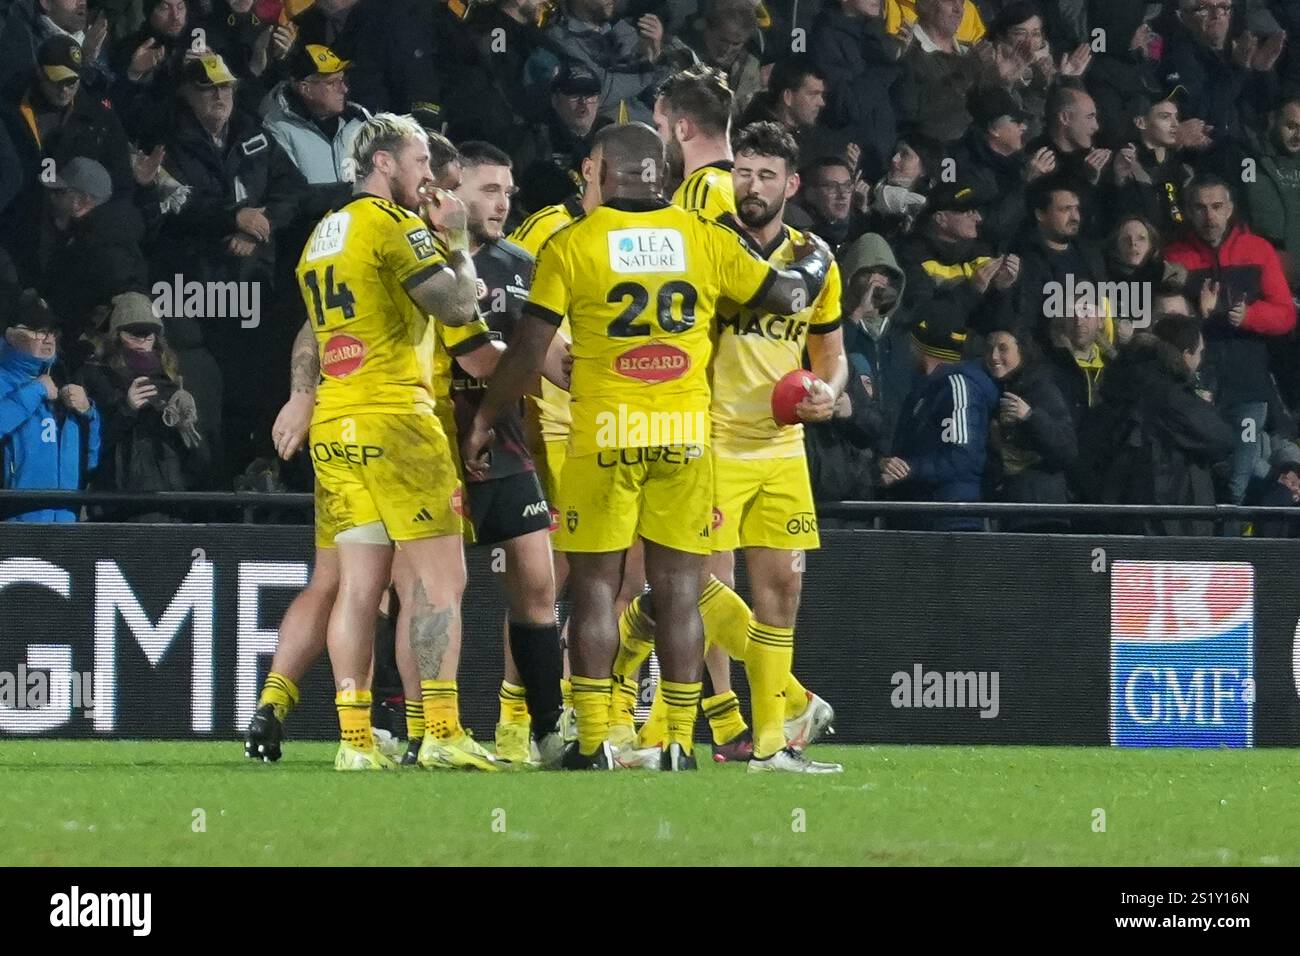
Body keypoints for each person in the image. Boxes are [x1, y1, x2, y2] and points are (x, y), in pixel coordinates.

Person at [461, 121, 836, 771]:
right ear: (660, 175)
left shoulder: (573, 243)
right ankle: (676, 744)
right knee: (680, 588)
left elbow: (527, 347)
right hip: (687, 437)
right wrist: (820, 258)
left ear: (604, 174)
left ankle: (596, 738)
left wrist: (489, 415)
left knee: (597, 588)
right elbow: (788, 292)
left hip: (604, 433)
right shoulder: (706, 238)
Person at [611, 123, 845, 773]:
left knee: (781, 594)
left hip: (782, 449)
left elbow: (833, 353)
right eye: (744, 171)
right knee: (692, 588)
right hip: (708, 440)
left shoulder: (813, 254)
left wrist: (828, 390)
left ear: (791, 186)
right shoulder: (708, 247)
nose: (752, 185)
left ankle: (771, 743)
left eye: (767, 175)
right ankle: (670, 722)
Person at [293, 112, 482, 770]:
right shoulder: (394, 225)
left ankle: (353, 740)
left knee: (357, 587)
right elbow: (457, 307)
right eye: (420, 160)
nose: (429, 175)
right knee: (440, 579)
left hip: (336, 423)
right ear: (384, 164)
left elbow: (313, 335)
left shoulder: (321, 235)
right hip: (396, 417)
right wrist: (456, 243)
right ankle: (443, 731)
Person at [447, 141, 568, 767]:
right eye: (489, 189)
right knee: (420, 588)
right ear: (454, 188)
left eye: (507, 190)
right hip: (439, 434)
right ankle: (409, 726)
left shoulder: (524, 262)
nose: (503, 201)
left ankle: (548, 730)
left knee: (538, 582)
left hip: (508, 439)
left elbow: (546, 350)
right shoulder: (427, 253)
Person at [1163, 174, 1297, 504]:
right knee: (1219, 473)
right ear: (1189, 212)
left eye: (1217, 207)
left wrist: (1248, 316)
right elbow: (1163, 324)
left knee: (1238, 478)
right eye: (1200, 208)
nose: (1210, 216)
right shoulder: (1175, 256)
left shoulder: (1258, 250)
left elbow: (1285, 314)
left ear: (1230, 208)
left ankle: (1233, 544)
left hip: (1248, 386)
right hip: (1197, 384)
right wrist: (1199, 316)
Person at [1077, 318, 1234, 536]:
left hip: (1115, 520)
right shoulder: (1168, 395)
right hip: (1171, 522)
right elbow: (1221, 437)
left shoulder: (1117, 384)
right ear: (1186, 354)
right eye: (1200, 352)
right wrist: (1202, 406)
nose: (1200, 361)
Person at [77, 292, 209, 521]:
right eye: (135, 333)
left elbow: (201, 458)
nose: (143, 341)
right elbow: (87, 445)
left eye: (149, 334)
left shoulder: (172, 380)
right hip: (116, 505)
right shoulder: (95, 376)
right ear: (116, 335)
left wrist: (186, 427)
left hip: (168, 504)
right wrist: (126, 409)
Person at [879, 312, 999, 530]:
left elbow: (963, 458)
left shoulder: (958, 385)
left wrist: (908, 469)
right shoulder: (928, 390)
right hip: (924, 517)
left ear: (922, 348)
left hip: (951, 520)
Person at [0, 290, 99, 523]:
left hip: (65, 524)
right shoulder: (5, 380)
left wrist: (89, 415)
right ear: (13, 336)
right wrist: (36, 390)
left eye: (52, 332)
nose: (49, 339)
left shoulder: (64, 378)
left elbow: (93, 460)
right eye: (39, 331)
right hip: (13, 525)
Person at [982, 322, 1077, 526]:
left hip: (1042, 513)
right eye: (989, 349)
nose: (994, 356)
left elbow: (1068, 450)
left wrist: (1030, 417)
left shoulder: (1042, 387)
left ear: (1022, 350)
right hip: (1013, 509)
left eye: (1003, 348)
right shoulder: (994, 389)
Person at [654, 65, 736, 220]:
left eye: (659, 127)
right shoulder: (746, 187)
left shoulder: (698, 196)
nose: (657, 138)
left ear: (682, 130)